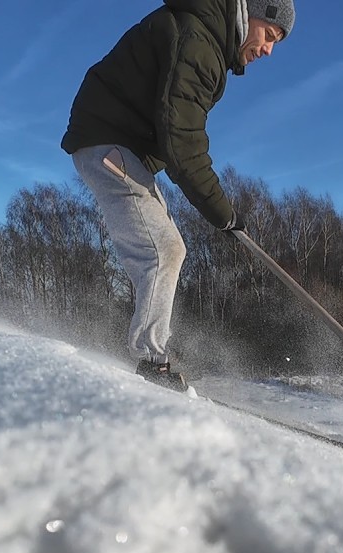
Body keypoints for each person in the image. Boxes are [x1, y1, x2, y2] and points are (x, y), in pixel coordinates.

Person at [62, 0, 295, 391]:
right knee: (164, 250)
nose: (268, 50)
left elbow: (177, 135)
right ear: (251, 14)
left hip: (116, 143)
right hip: (108, 143)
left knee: (164, 249)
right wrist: (224, 214)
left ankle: (151, 354)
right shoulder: (199, 41)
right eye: (270, 36)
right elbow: (182, 141)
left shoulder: (204, 36)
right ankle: (152, 361)